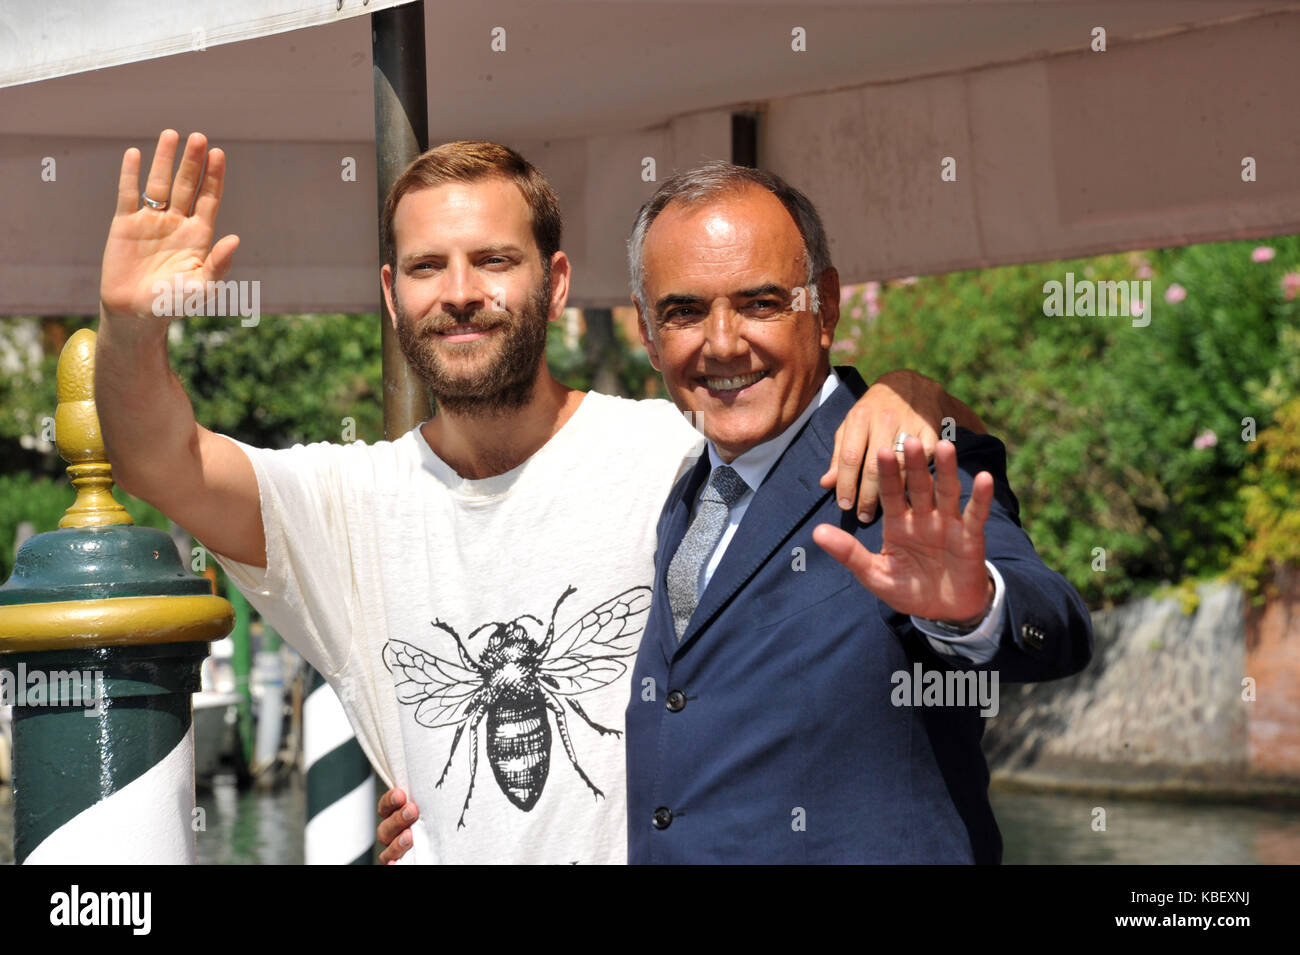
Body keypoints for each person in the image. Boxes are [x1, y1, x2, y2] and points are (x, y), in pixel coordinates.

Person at [96, 130, 981, 864]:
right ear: (390, 296)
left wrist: (909, 394)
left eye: (493, 260)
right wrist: (132, 325)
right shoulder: (345, 504)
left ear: (555, 284)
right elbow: (157, 458)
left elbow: (888, 446)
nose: (460, 293)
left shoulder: (683, 450)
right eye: (425, 266)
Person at [617, 162, 1093, 863]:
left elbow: (1056, 622)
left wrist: (973, 606)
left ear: (827, 305)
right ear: (648, 331)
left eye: (759, 303)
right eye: (684, 310)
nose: (721, 342)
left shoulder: (904, 457)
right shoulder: (686, 495)